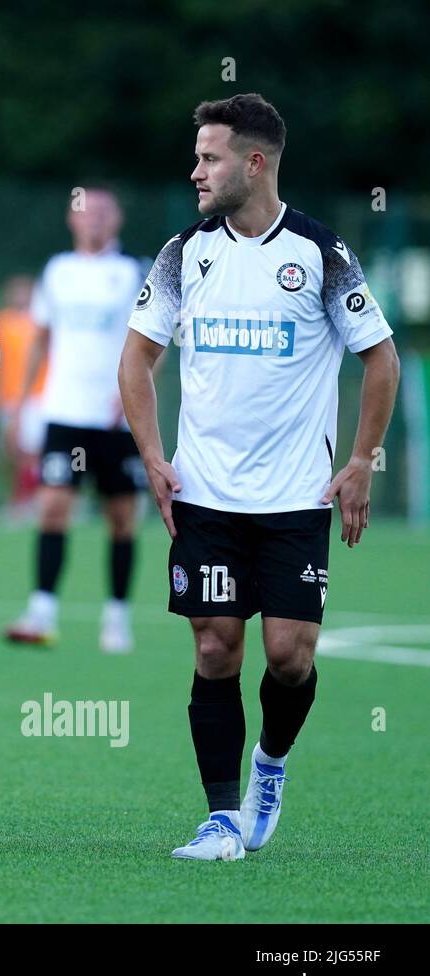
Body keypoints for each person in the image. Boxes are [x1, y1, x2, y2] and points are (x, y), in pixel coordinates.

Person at [118, 93, 400, 860]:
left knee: (289, 655)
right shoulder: (184, 251)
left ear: (255, 161)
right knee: (215, 652)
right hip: (205, 493)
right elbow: (138, 358)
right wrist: (152, 455)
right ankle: (218, 819)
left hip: (294, 498)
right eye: (196, 157)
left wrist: (362, 463)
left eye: (209, 158)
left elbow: (381, 357)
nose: (195, 171)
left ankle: (268, 767)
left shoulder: (320, 252)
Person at [5, 188, 148, 652]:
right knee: (51, 508)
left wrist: (130, 395)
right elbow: (41, 342)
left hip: (113, 419)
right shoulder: (58, 271)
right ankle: (42, 612)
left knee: (122, 518)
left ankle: (117, 617)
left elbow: (151, 345)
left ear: (118, 219)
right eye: (85, 213)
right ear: (72, 220)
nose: (94, 221)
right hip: (64, 414)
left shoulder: (131, 273)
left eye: (103, 212)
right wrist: (25, 403)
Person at [0, 274, 44, 519]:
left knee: (32, 450)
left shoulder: (39, 322)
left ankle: (32, 500)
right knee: (13, 451)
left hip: (36, 395)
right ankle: (23, 497)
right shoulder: (3, 322)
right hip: (9, 396)